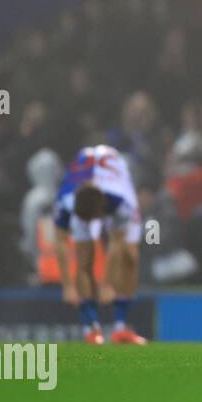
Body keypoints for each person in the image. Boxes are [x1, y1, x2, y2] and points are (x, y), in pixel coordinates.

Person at [53, 145, 148, 344]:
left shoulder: (121, 202)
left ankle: (120, 329)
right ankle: (92, 329)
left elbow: (116, 243)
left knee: (130, 257)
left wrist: (108, 284)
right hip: (86, 182)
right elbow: (61, 242)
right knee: (84, 259)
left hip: (115, 175)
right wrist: (67, 286)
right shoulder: (65, 202)